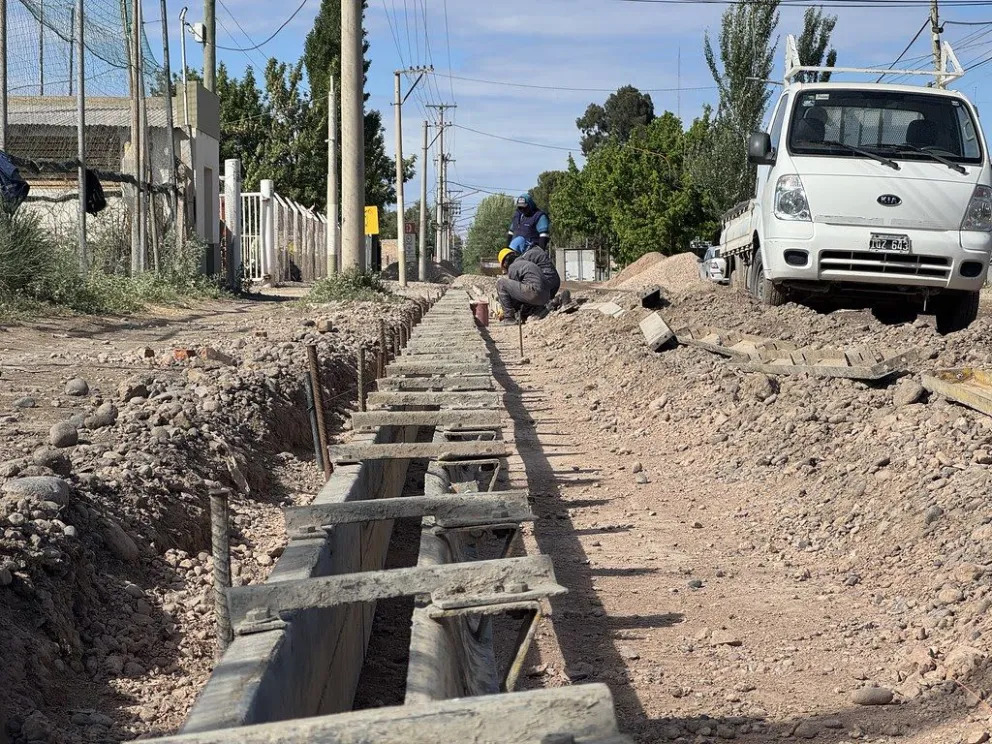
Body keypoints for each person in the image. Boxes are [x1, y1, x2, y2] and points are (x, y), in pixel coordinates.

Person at [496, 247, 550, 325]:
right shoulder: (526, 263)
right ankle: (534, 311)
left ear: (504, 264)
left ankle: (508, 318)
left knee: (501, 283)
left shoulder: (513, 267)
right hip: (545, 297)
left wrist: (505, 308)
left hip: (534, 293)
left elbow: (514, 296)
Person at [509, 236, 561, 306]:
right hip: (554, 283)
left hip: (546, 283)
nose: (515, 254)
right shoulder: (536, 249)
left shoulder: (528, 255)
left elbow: (518, 272)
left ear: (520, 248)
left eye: (515, 251)